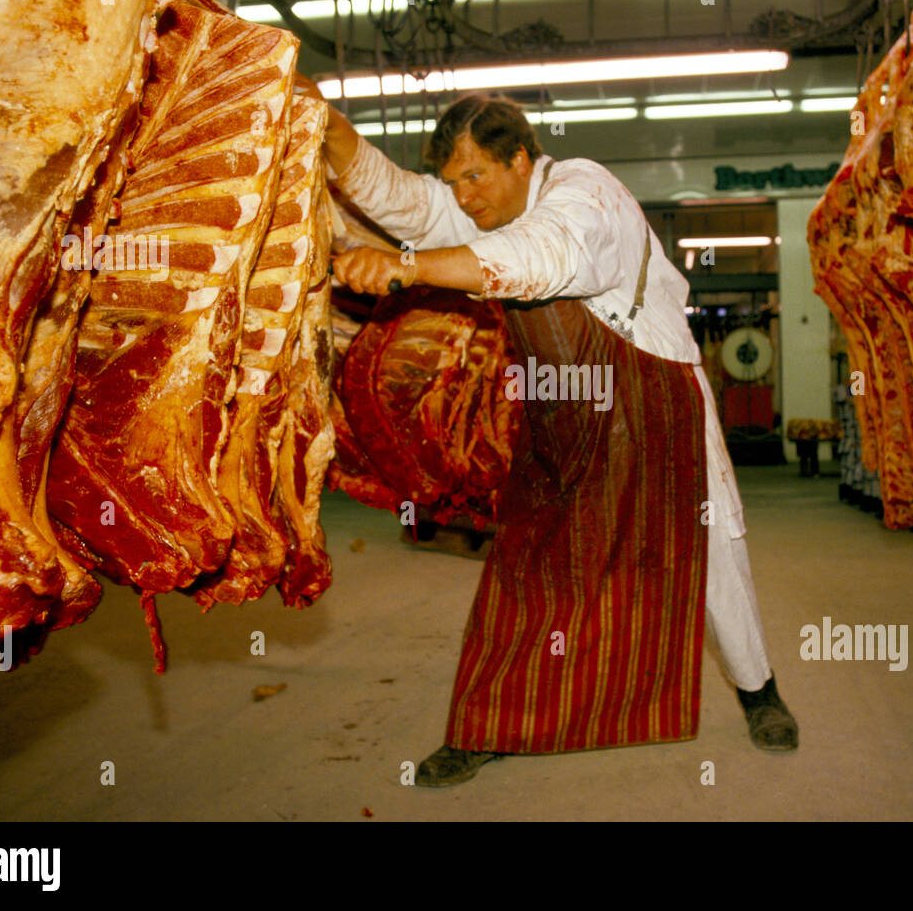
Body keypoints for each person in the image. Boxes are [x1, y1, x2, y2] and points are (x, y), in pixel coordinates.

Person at [326, 93, 797, 787]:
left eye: (474, 177)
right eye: (455, 182)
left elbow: (541, 257)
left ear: (520, 159)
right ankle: (485, 726)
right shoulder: (488, 200)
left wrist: (409, 267)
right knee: (525, 555)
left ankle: (760, 693)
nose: (464, 195)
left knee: (709, 538)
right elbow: (413, 205)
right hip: (561, 407)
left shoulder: (585, 190)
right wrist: (336, 139)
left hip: (650, 387)